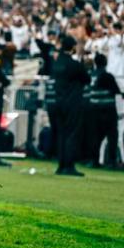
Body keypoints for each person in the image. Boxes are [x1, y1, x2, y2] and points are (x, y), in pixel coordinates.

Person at [51, 36, 89, 176]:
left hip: (58, 101)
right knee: (72, 134)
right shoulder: (74, 65)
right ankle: (69, 165)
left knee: (61, 134)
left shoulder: (57, 63)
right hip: (72, 102)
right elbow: (86, 78)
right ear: (72, 47)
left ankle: (61, 165)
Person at [89, 54, 124, 169]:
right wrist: (123, 94)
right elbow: (117, 91)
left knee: (96, 136)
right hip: (108, 110)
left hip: (94, 109)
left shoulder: (91, 75)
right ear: (105, 63)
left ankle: (94, 160)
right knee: (112, 136)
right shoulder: (107, 76)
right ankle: (112, 161)